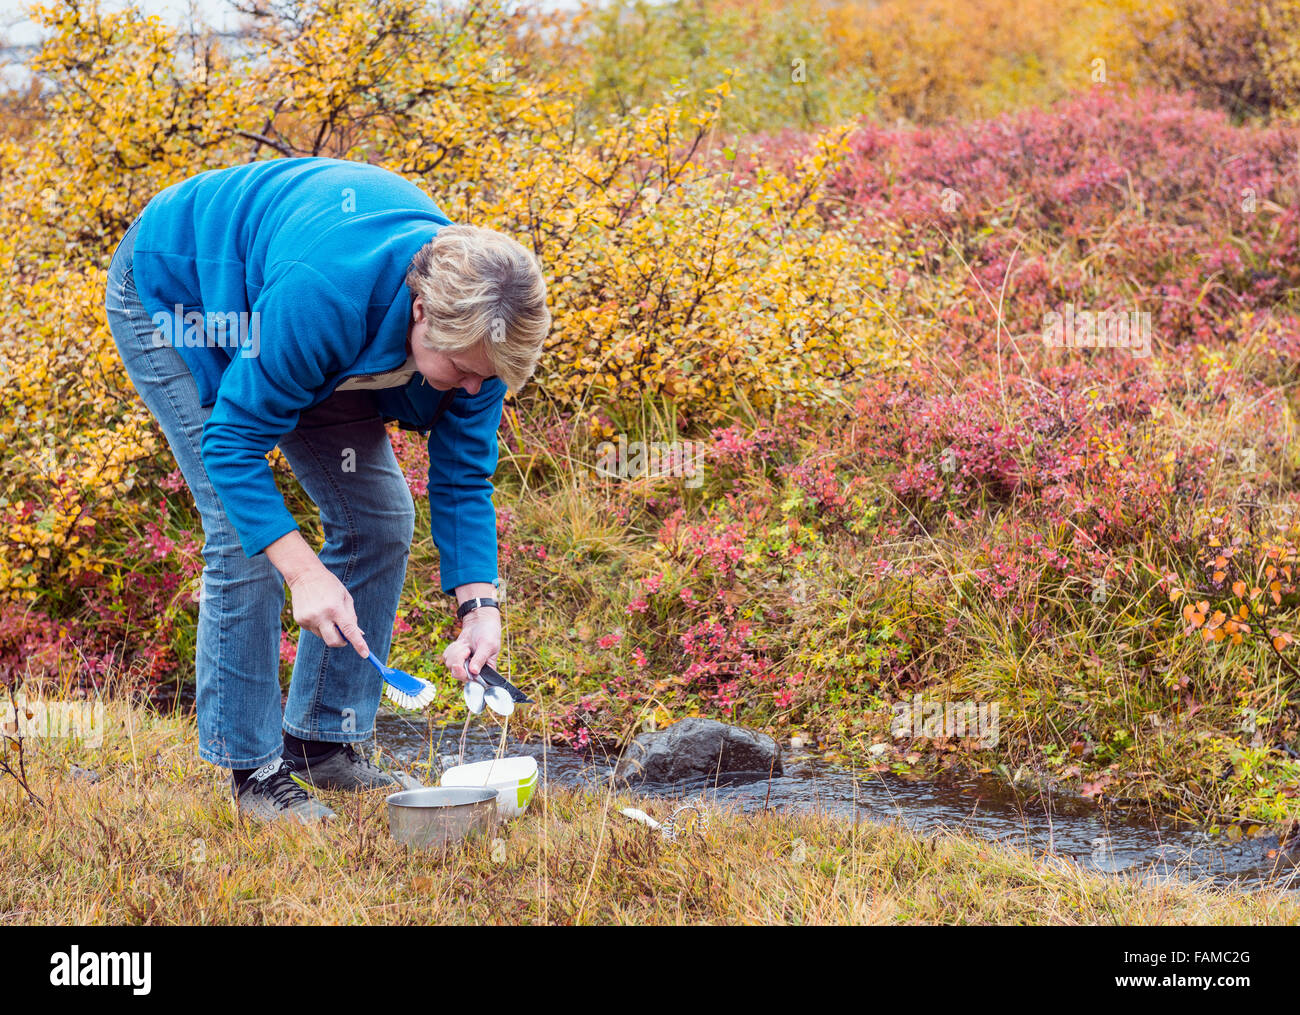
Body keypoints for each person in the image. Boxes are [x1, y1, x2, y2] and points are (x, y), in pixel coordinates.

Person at [104, 157, 550, 823]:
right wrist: (303, 569)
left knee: (379, 519)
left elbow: (462, 475)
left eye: (489, 379)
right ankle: (251, 772)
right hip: (182, 291)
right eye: (461, 372)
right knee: (243, 538)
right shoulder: (327, 297)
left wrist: (479, 605)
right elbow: (231, 443)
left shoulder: (482, 350)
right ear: (421, 312)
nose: (473, 391)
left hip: (303, 325)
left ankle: (321, 740)